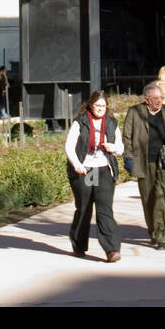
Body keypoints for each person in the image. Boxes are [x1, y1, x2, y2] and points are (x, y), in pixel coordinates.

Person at [64, 90, 122, 261]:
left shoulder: (111, 123)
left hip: (103, 169)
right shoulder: (80, 122)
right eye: (97, 105)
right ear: (90, 105)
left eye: (103, 106)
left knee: (104, 209)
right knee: (84, 207)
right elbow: (69, 146)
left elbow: (121, 147)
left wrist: (113, 148)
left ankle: (112, 249)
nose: (100, 109)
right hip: (87, 170)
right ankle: (79, 244)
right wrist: (77, 165)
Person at [123, 82, 165, 249]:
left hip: (163, 161)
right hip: (142, 161)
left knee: (160, 198)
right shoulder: (135, 112)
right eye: (155, 98)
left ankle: (162, 236)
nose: (159, 101)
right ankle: (153, 231)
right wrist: (128, 157)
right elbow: (126, 137)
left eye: (161, 98)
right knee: (148, 199)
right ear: (147, 99)